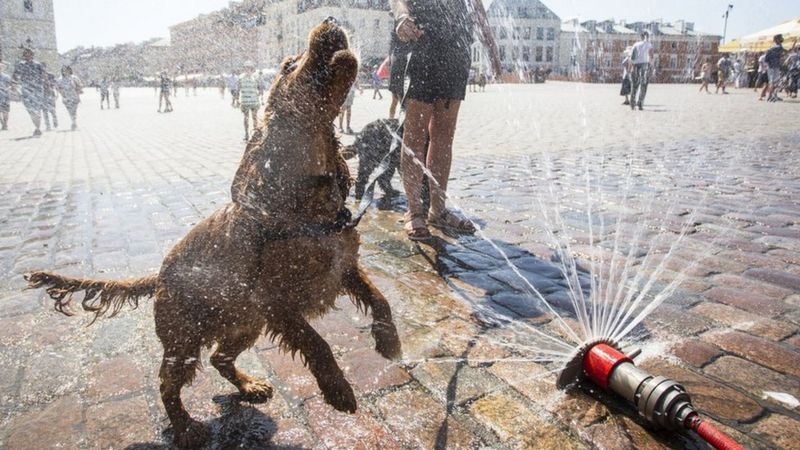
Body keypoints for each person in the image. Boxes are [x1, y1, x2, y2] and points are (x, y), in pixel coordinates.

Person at [390, 0, 479, 240]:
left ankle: (438, 210)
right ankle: (414, 210)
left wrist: (489, 41)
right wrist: (402, 17)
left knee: (444, 135)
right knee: (415, 134)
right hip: (420, 40)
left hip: (457, 44)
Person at [12, 47, 46, 136]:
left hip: (37, 89)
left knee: (36, 109)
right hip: (26, 89)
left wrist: (41, 82)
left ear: (32, 55)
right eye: (26, 54)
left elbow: (43, 76)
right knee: (30, 109)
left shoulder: (38, 65)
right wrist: (14, 84)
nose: (27, 55)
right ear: (24, 55)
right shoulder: (20, 65)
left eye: (29, 53)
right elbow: (15, 76)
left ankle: (37, 128)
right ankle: (37, 126)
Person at [388, 23, 412, 119]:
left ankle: (394, 119)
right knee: (399, 101)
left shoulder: (400, 46)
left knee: (397, 101)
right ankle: (396, 120)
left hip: (399, 76)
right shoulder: (397, 46)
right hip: (398, 76)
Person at [628, 31, 654, 111]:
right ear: (647, 37)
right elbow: (651, 56)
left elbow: (632, 58)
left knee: (634, 86)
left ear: (641, 37)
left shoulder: (635, 45)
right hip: (645, 66)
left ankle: (632, 104)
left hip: (635, 66)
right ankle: (640, 103)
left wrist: (630, 68)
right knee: (644, 86)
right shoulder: (649, 45)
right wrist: (652, 67)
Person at [238, 61, 260, 141]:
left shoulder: (255, 78)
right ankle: (247, 133)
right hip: (245, 102)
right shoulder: (241, 78)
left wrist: (259, 97)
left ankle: (255, 134)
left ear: (252, 69)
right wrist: (237, 99)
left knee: (254, 118)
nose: (248, 70)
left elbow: (258, 88)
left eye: (249, 68)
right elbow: (238, 89)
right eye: (246, 68)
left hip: (254, 101)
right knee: (246, 118)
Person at [56, 65, 82, 131]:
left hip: (74, 96)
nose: (65, 72)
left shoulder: (74, 78)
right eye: (63, 70)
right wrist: (61, 92)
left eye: (66, 70)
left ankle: (74, 121)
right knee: (70, 110)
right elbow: (58, 87)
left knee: (74, 110)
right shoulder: (60, 79)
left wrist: (78, 90)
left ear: (70, 70)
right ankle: (73, 122)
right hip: (66, 97)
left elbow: (80, 85)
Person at [764, 34, 785, 102]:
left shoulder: (772, 48)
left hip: (773, 66)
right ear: (776, 40)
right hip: (772, 67)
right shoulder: (776, 48)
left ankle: (773, 95)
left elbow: (766, 59)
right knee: (773, 82)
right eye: (780, 38)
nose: (782, 39)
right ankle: (769, 96)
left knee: (775, 82)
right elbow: (766, 59)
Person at [41, 65, 58, 130]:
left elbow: (55, 83)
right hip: (42, 95)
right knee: (44, 111)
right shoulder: (38, 76)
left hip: (50, 94)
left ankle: (55, 121)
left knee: (52, 110)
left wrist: (49, 83)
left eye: (43, 67)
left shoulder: (51, 75)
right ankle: (48, 125)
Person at [0, 64, 13, 131]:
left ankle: (5, 124)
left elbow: (10, 85)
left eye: (0, 68)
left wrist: (6, 89)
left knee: (6, 111)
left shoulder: (6, 77)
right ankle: (3, 124)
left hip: (5, 96)